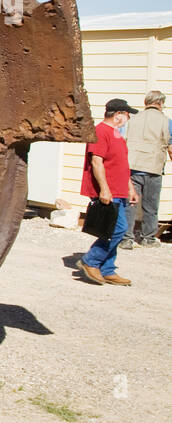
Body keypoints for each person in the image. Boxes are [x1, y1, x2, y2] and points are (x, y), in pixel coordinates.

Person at [79, 99, 135, 285]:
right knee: (117, 229)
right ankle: (91, 261)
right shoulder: (101, 131)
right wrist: (104, 189)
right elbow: (97, 161)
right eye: (127, 114)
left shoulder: (116, 134)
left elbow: (121, 164)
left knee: (113, 230)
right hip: (108, 190)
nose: (127, 118)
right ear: (118, 114)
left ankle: (107, 269)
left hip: (119, 190)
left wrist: (130, 187)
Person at [121, 90, 170, 248]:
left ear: (146, 102)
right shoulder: (166, 121)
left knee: (130, 204)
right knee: (151, 205)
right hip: (154, 167)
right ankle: (148, 238)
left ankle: (126, 238)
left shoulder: (132, 120)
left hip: (133, 166)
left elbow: (123, 142)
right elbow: (170, 148)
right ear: (160, 103)